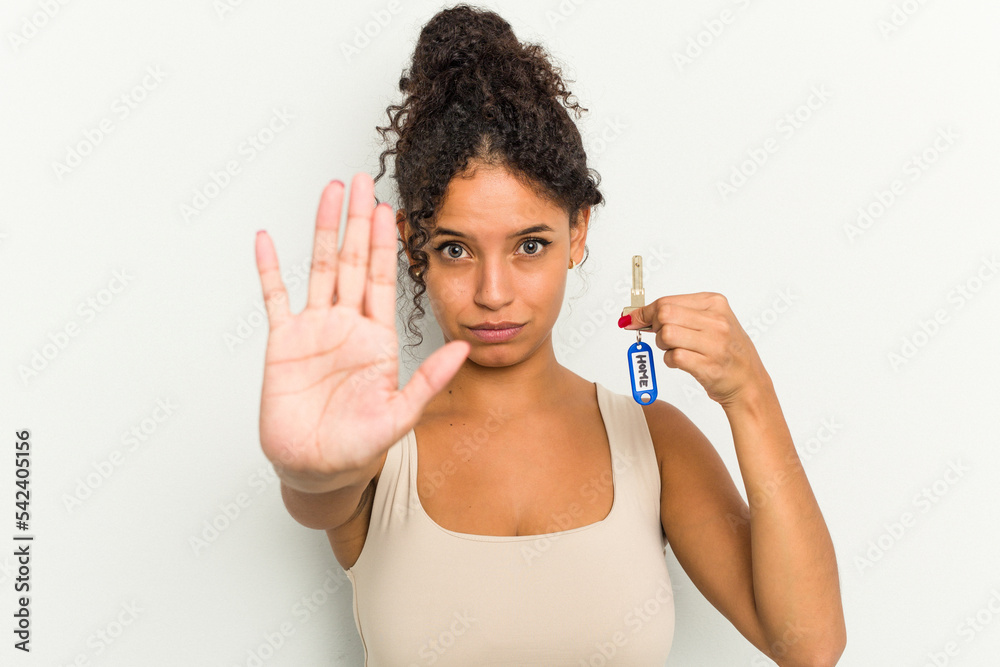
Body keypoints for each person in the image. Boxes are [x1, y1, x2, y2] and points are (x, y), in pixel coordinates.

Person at [254, 4, 846, 665]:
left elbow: (809, 645)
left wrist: (750, 394)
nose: (493, 291)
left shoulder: (654, 442)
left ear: (579, 233)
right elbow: (320, 492)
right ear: (411, 246)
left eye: (529, 244)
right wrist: (306, 471)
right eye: (455, 249)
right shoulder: (375, 444)